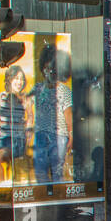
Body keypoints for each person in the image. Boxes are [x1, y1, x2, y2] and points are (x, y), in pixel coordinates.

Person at [31, 43, 73, 184]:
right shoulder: (38, 88)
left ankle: (58, 195)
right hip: (40, 135)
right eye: (48, 69)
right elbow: (28, 106)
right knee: (40, 171)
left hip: (59, 135)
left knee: (57, 171)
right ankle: (45, 193)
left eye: (54, 70)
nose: (50, 73)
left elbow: (69, 115)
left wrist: (71, 136)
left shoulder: (64, 90)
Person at [0, 64, 30, 186]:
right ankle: (1, 185)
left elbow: (30, 117)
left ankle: (17, 185)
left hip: (18, 138)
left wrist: (27, 135)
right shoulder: (0, 97)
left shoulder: (25, 98)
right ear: (9, 79)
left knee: (17, 162)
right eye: (16, 78)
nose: (19, 82)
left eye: (21, 79)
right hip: (3, 138)